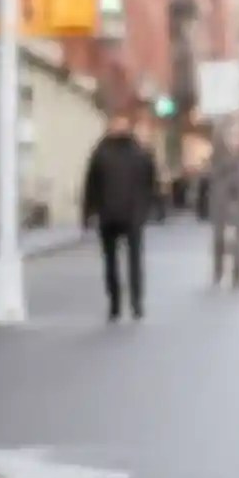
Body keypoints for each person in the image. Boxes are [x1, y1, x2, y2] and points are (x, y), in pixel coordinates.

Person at [83, 112, 158, 322]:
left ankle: (136, 303)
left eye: (121, 122)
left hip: (133, 215)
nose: (117, 126)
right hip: (108, 215)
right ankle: (114, 303)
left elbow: (151, 182)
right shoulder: (100, 153)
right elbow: (91, 185)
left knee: (134, 262)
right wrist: (89, 212)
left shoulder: (140, 153)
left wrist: (146, 209)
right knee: (110, 263)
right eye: (114, 122)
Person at [210, 125, 239, 288]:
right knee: (220, 241)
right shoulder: (219, 160)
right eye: (231, 135)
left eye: (237, 136)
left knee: (238, 243)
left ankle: (236, 275)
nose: (235, 139)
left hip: (237, 207)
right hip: (222, 206)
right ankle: (219, 272)